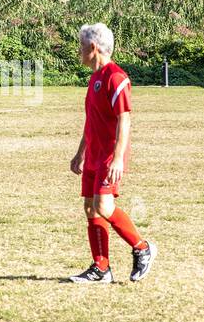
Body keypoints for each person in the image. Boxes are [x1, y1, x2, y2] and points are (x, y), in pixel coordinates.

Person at [67, 22, 156, 283]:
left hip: (109, 156)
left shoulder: (116, 77)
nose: (80, 52)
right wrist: (80, 152)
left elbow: (124, 119)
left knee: (104, 206)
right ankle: (101, 268)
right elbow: (91, 120)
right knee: (91, 209)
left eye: (82, 47)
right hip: (93, 154)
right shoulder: (94, 78)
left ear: (93, 48)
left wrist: (118, 157)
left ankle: (142, 248)